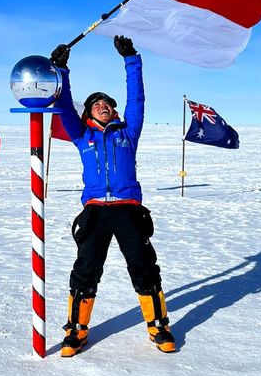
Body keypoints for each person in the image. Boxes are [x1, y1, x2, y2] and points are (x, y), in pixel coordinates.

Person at [50, 35, 176, 357]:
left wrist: (131, 59)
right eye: (96, 104)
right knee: (85, 270)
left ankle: (158, 326)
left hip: (128, 210)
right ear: (89, 113)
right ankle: (76, 332)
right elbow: (63, 106)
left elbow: (137, 101)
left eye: (107, 103)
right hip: (95, 211)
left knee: (144, 268)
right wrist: (61, 71)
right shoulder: (82, 136)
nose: (104, 106)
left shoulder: (127, 133)